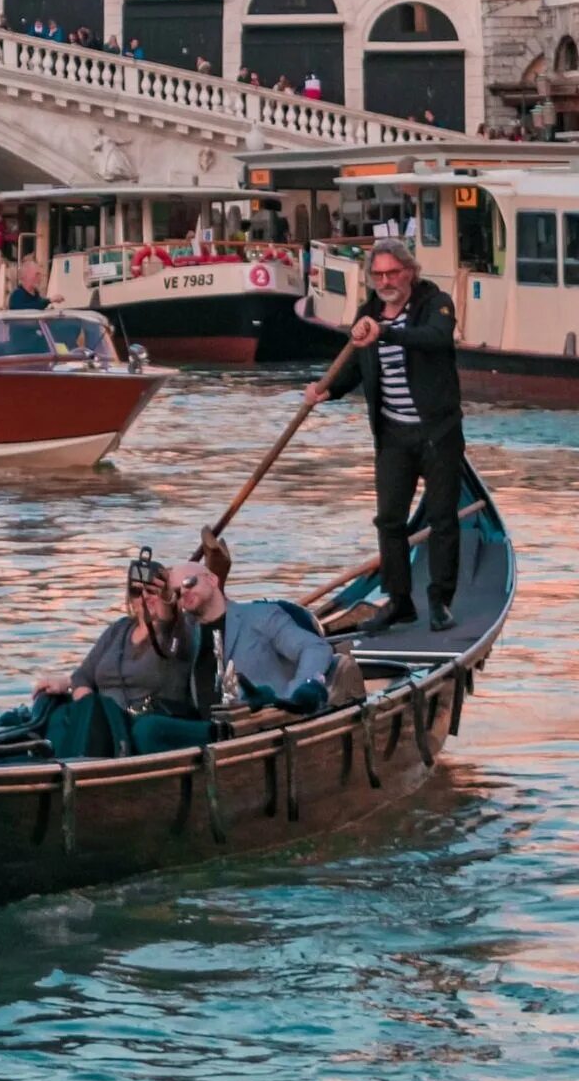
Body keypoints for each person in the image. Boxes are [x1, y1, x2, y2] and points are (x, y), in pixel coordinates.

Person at [302, 236, 464, 632]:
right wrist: (325, 389)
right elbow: (356, 367)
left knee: (443, 518)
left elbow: (436, 338)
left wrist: (386, 333)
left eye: (393, 272)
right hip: (393, 436)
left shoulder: (435, 303)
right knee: (389, 520)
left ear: (409, 272)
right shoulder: (367, 314)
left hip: (438, 433)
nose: (386, 280)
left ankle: (440, 600)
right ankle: (400, 600)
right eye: (378, 274)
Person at [159, 562, 336, 743]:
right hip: (210, 735)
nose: (184, 592)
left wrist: (294, 695)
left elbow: (315, 648)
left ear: (212, 580)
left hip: (267, 731)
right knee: (148, 728)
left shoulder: (261, 616)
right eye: (177, 592)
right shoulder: (184, 636)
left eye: (189, 582)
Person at [34, 549, 196, 727]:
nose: (144, 597)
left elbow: (170, 624)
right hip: (102, 721)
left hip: (146, 720)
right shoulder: (119, 630)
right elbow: (82, 677)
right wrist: (89, 708)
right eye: (136, 591)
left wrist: (167, 602)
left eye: (151, 591)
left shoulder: (178, 631)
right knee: (47, 703)